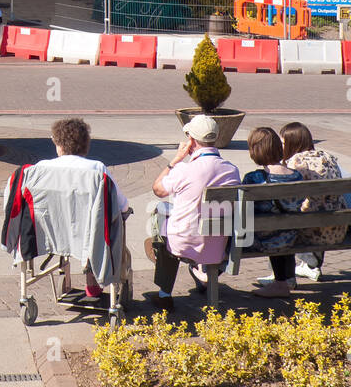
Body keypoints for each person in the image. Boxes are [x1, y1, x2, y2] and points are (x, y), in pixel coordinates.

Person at [147, 114, 240, 305]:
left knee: (159, 214)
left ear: (191, 140)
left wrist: (175, 160)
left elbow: (158, 189)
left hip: (183, 243)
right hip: (217, 247)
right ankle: (203, 274)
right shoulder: (232, 171)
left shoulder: (184, 170)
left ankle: (165, 293)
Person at [40, 117, 129, 300]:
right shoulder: (96, 168)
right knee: (99, 226)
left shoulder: (41, 168)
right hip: (90, 234)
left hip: (51, 232)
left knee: (86, 224)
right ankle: (94, 283)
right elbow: (122, 204)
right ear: (85, 144)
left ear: (58, 144)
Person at [271, 121, 351, 284]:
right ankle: (310, 262)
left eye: (283, 143)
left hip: (315, 233)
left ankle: (283, 278)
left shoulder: (296, 162)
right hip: (338, 229)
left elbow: (286, 200)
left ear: (293, 143)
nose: (280, 146)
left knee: (275, 221)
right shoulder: (328, 157)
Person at [238, 127, 307, 298]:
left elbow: (244, 214)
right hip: (291, 236)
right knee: (280, 225)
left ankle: (206, 277)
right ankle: (283, 280)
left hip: (264, 239)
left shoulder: (254, 178)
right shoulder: (296, 176)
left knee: (230, 232)